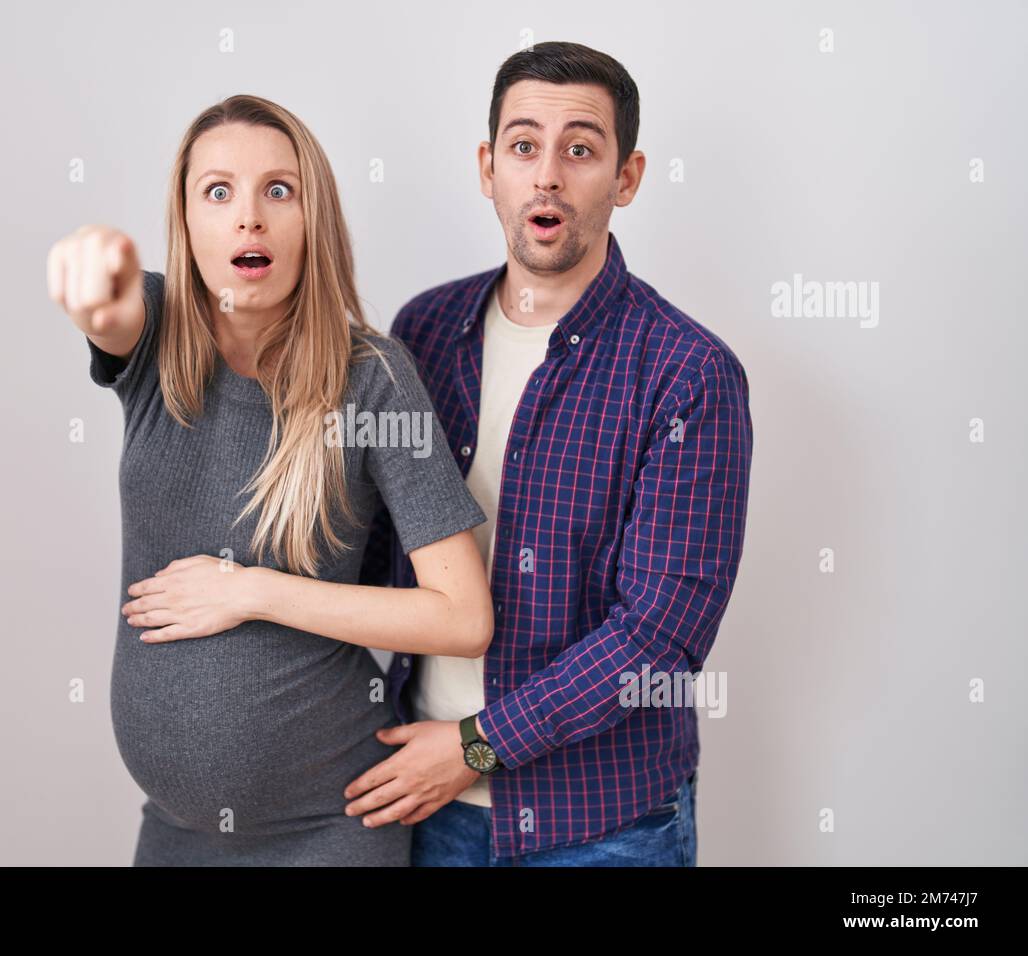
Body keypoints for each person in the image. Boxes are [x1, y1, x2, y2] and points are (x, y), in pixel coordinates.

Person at [45, 94, 492, 865]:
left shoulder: (372, 380)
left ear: (311, 219)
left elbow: (461, 617)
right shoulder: (156, 332)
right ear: (186, 223)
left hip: (329, 826)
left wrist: (250, 589)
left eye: (277, 191)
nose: (248, 217)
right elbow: (106, 309)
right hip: (176, 831)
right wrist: (90, 273)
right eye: (217, 192)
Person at [345, 41, 754, 866]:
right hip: (425, 801)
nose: (548, 176)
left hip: (605, 824)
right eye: (525, 145)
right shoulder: (422, 332)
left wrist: (473, 747)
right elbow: (377, 553)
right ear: (488, 165)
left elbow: (660, 637)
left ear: (627, 177)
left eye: (581, 149)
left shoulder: (690, 372)